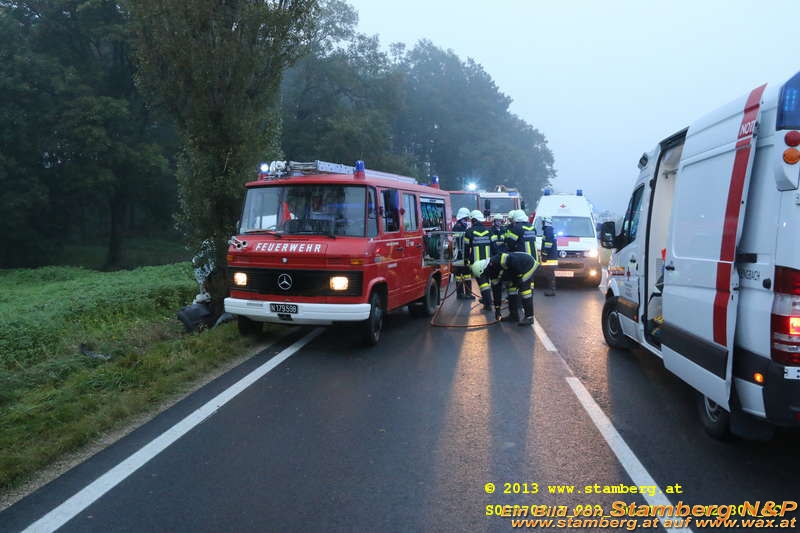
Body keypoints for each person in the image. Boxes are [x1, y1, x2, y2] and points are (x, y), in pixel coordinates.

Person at [472, 251, 539, 325]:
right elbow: (496, 292)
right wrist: (497, 310)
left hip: (528, 265)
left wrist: (519, 277)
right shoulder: (492, 274)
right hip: (516, 273)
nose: (484, 279)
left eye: (483, 276)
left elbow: (513, 260)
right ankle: (514, 316)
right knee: (511, 290)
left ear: (483, 270)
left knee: (524, 289)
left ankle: (529, 317)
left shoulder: (497, 260)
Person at [464, 210, 494, 310]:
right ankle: (487, 300)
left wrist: (465, 260)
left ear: (473, 220)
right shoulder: (489, 231)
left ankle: (488, 303)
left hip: (476, 263)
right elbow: (494, 247)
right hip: (489, 261)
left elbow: (466, 248)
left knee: (483, 283)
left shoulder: (469, 232)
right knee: (487, 282)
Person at [453, 207, 474, 299]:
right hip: (461, 255)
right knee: (466, 274)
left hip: (458, 255)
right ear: (462, 218)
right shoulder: (459, 227)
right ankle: (467, 293)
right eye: (466, 219)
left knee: (459, 275)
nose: (467, 221)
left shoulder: (458, 226)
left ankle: (460, 294)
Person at [540, 217, 559, 296]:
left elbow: (547, 244)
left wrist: (544, 254)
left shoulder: (548, 230)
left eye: (543, 222)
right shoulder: (550, 230)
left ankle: (551, 290)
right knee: (550, 275)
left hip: (549, 259)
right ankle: (551, 290)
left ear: (546, 223)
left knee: (549, 275)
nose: (542, 224)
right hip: (551, 257)